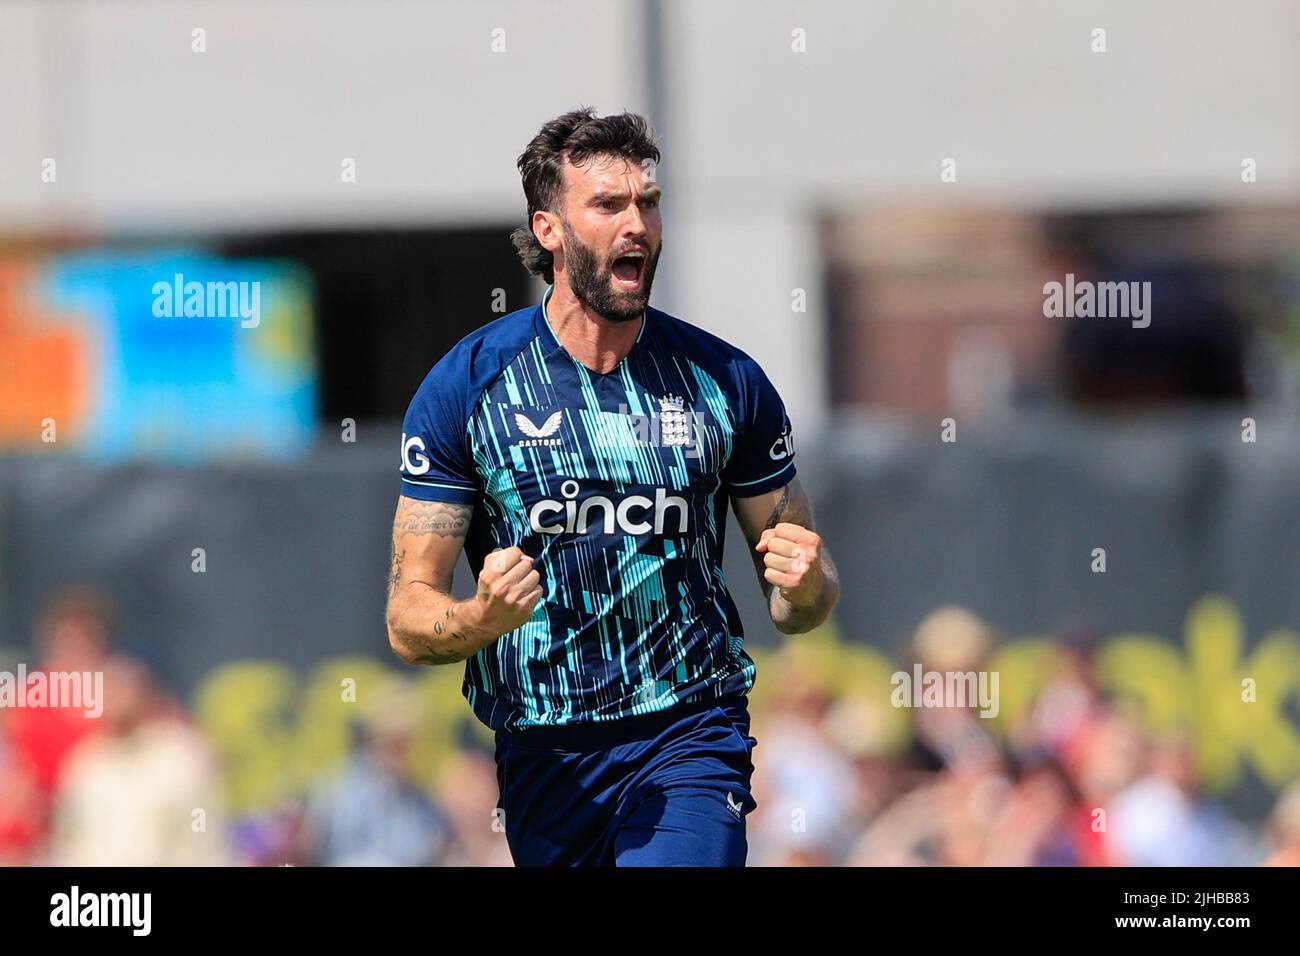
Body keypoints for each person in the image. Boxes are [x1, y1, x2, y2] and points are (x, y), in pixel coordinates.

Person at [385, 108, 839, 866]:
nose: (638, 224)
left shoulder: (725, 381)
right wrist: (482, 616)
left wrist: (806, 584)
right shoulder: (467, 387)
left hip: (691, 732)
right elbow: (408, 618)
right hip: (545, 754)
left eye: (648, 204)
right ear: (551, 228)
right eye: (608, 205)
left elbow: (801, 600)